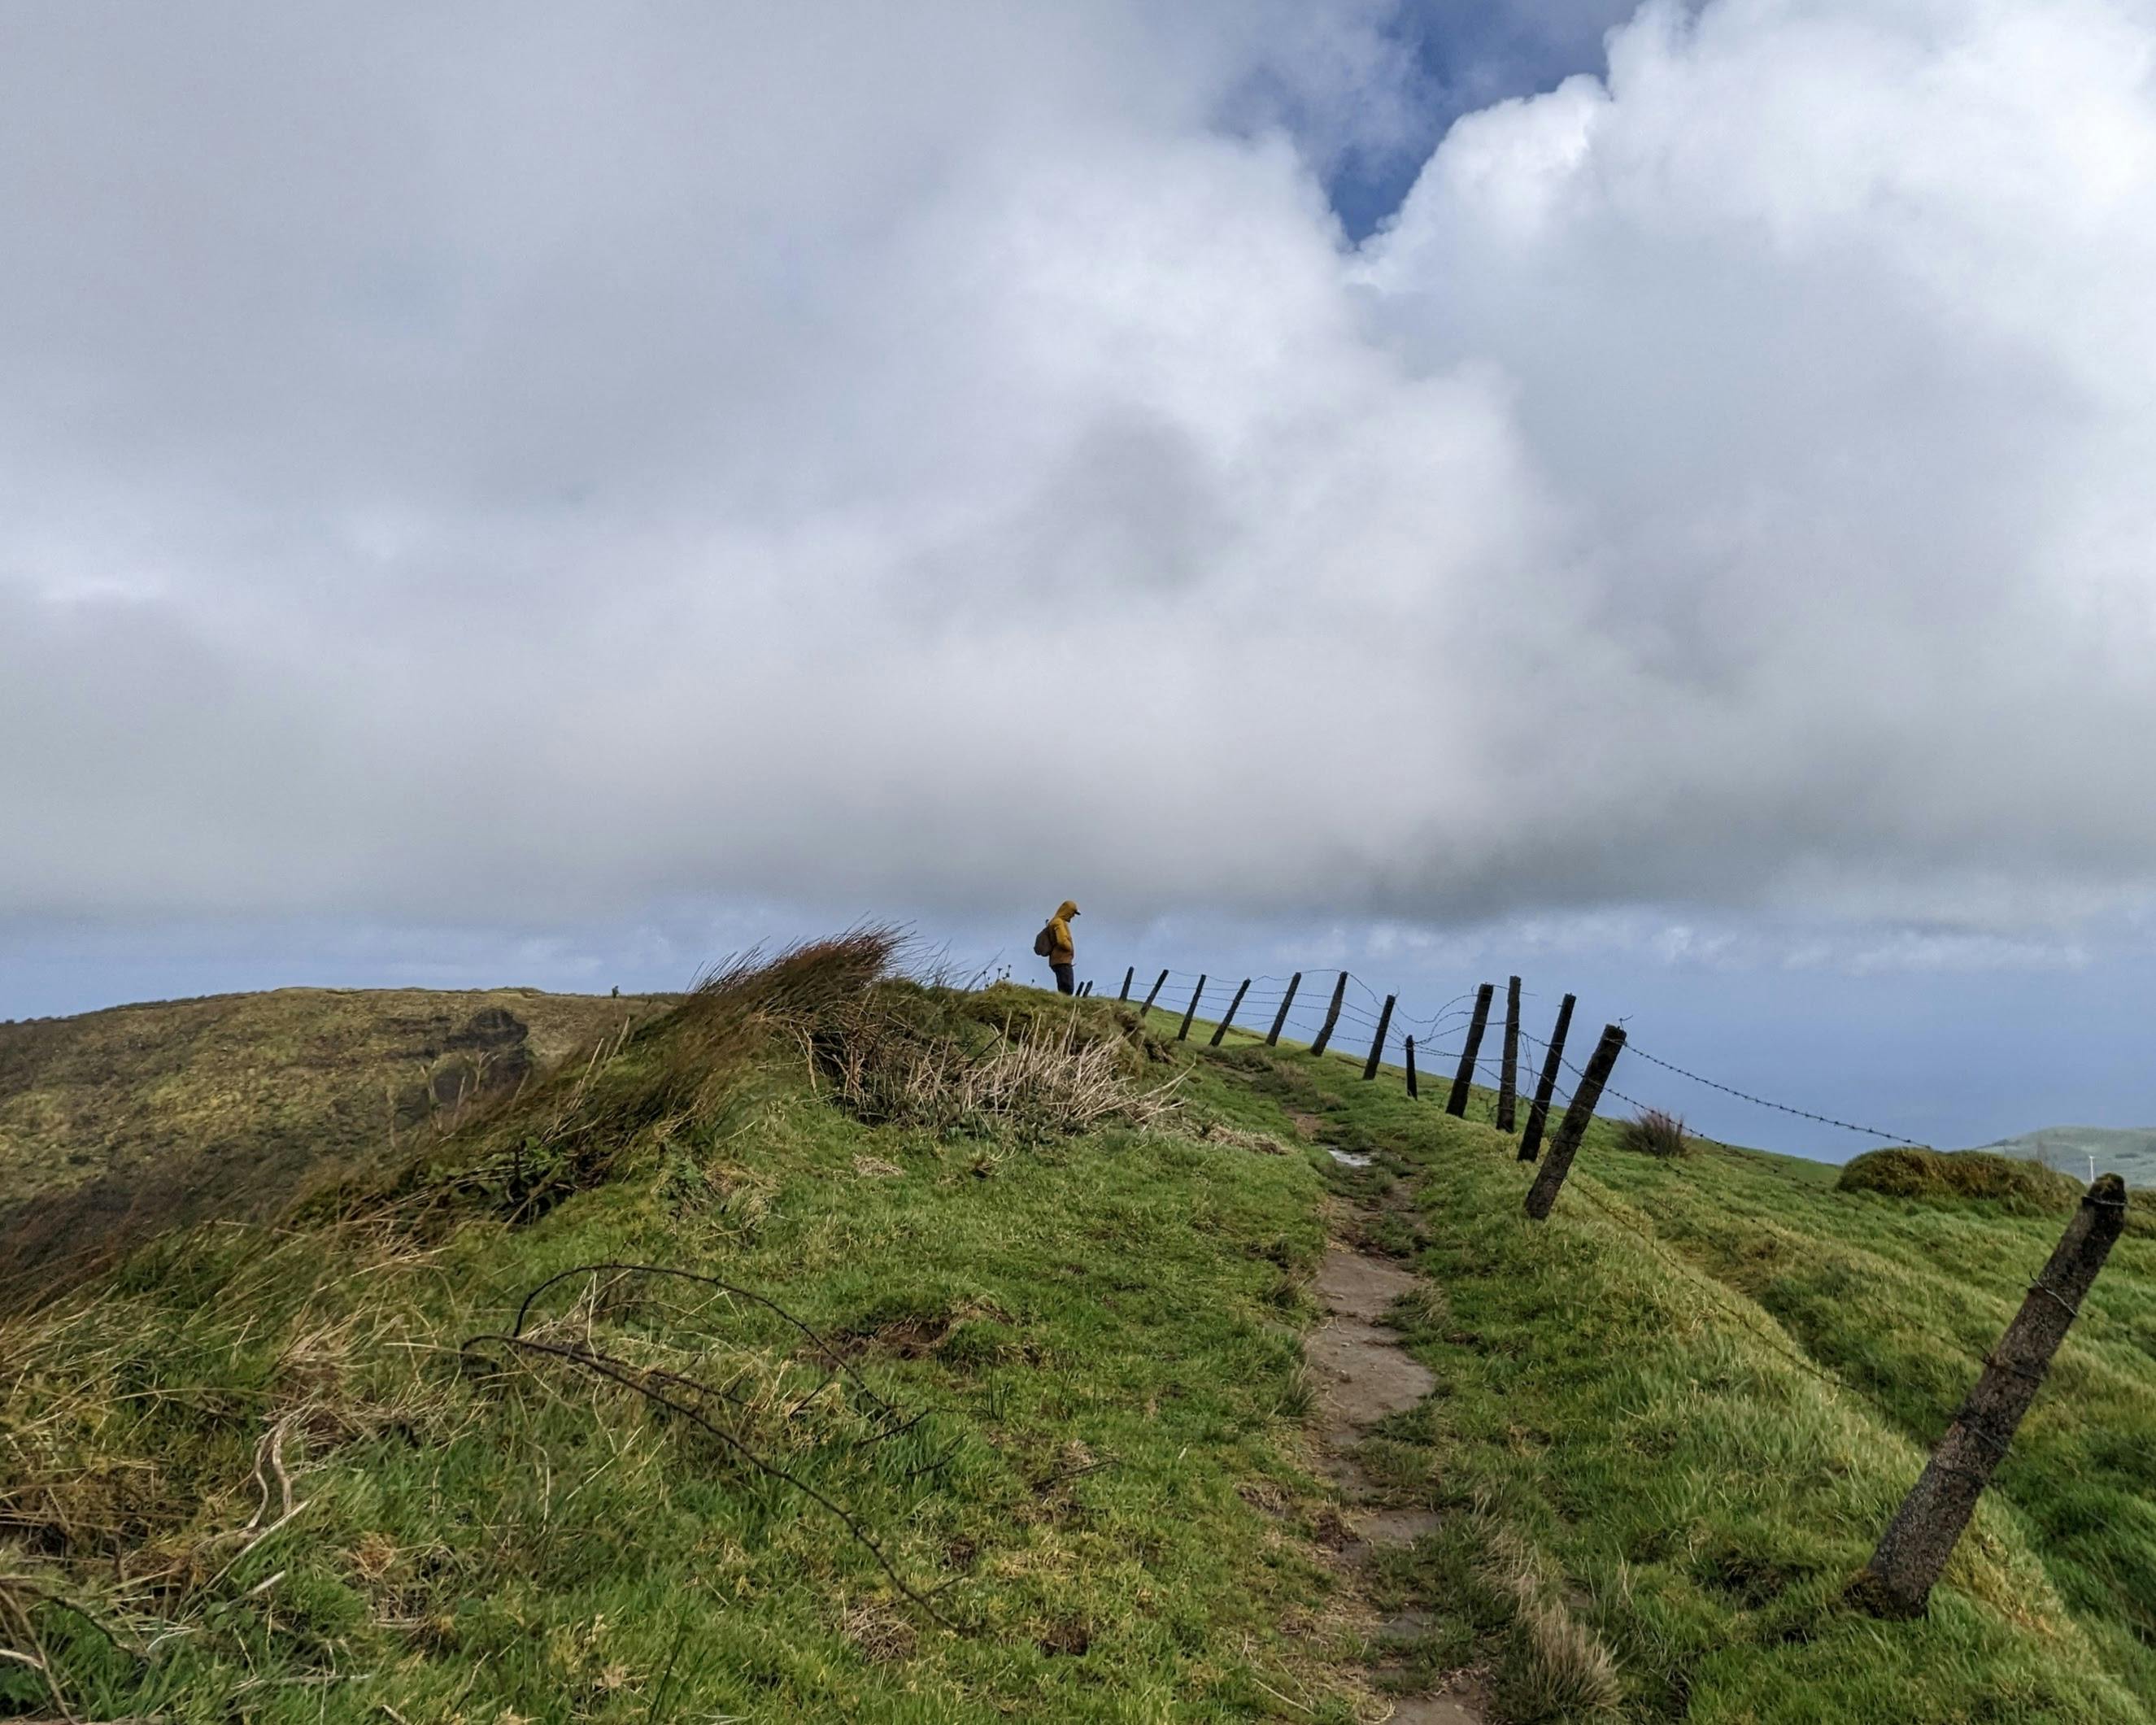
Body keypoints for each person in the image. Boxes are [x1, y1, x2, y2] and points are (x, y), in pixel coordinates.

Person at [1041, 900, 1079, 995]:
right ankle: (1065, 1000)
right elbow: (1062, 940)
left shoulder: (1057, 922)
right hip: (1061, 959)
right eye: (1072, 913)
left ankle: (1063, 999)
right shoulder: (1058, 922)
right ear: (1067, 911)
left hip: (1060, 959)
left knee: (1064, 984)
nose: (1073, 916)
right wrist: (1069, 948)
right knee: (1067, 986)